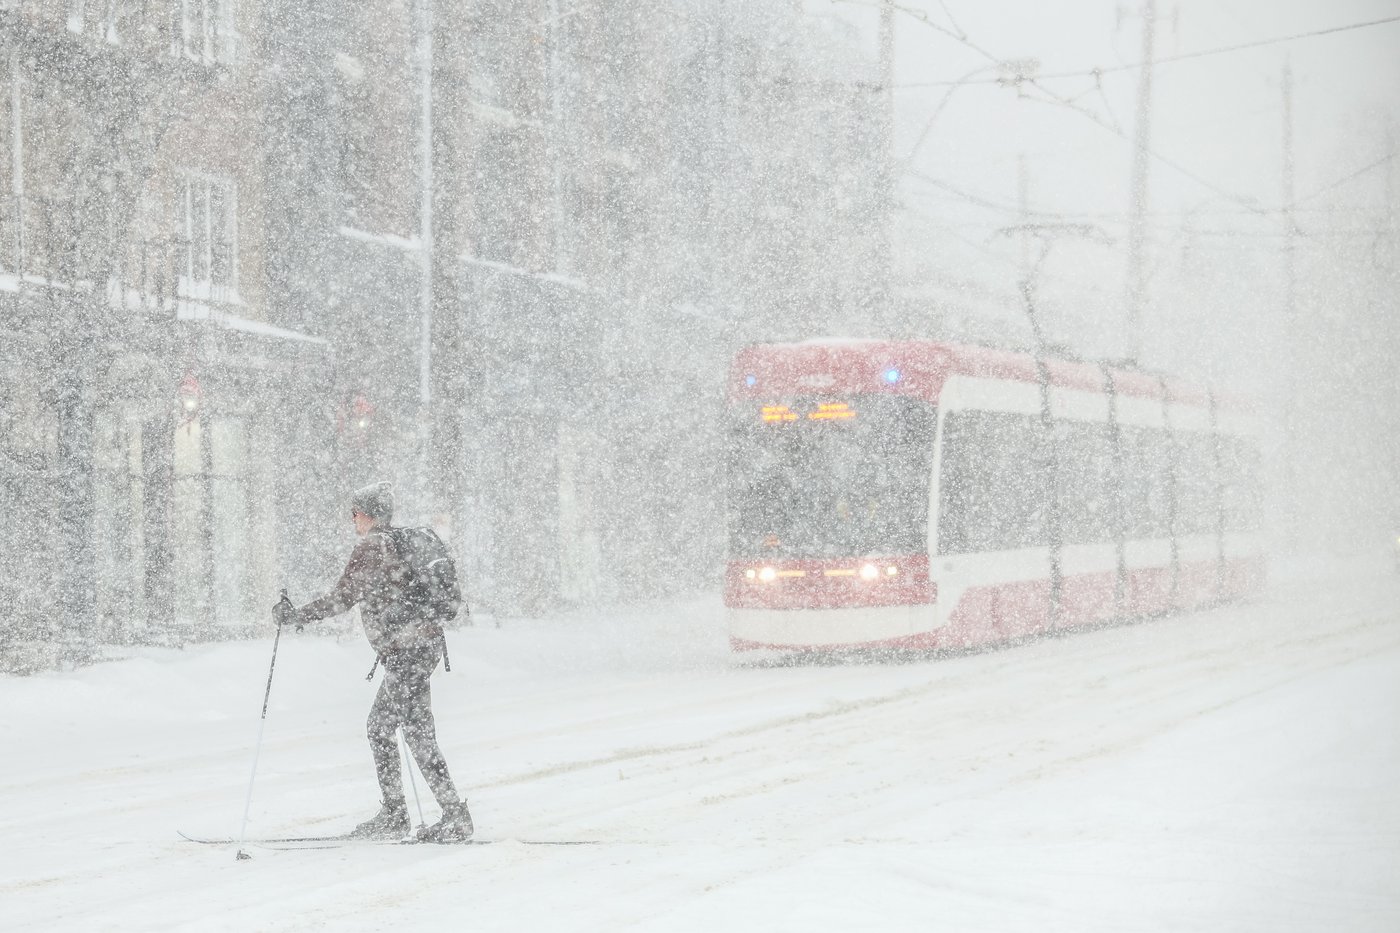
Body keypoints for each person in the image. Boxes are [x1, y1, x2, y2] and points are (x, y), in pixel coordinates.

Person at [283, 481, 472, 842]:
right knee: (381, 726)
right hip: (419, 648)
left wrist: (296, 616)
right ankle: (396, 812)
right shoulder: (402, 542)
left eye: (354, 513)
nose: (352, 520)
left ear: (365, 515)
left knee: (416, 733)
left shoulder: (372, 548)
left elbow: (341, 598)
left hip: (407, 652)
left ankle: (452, 816)